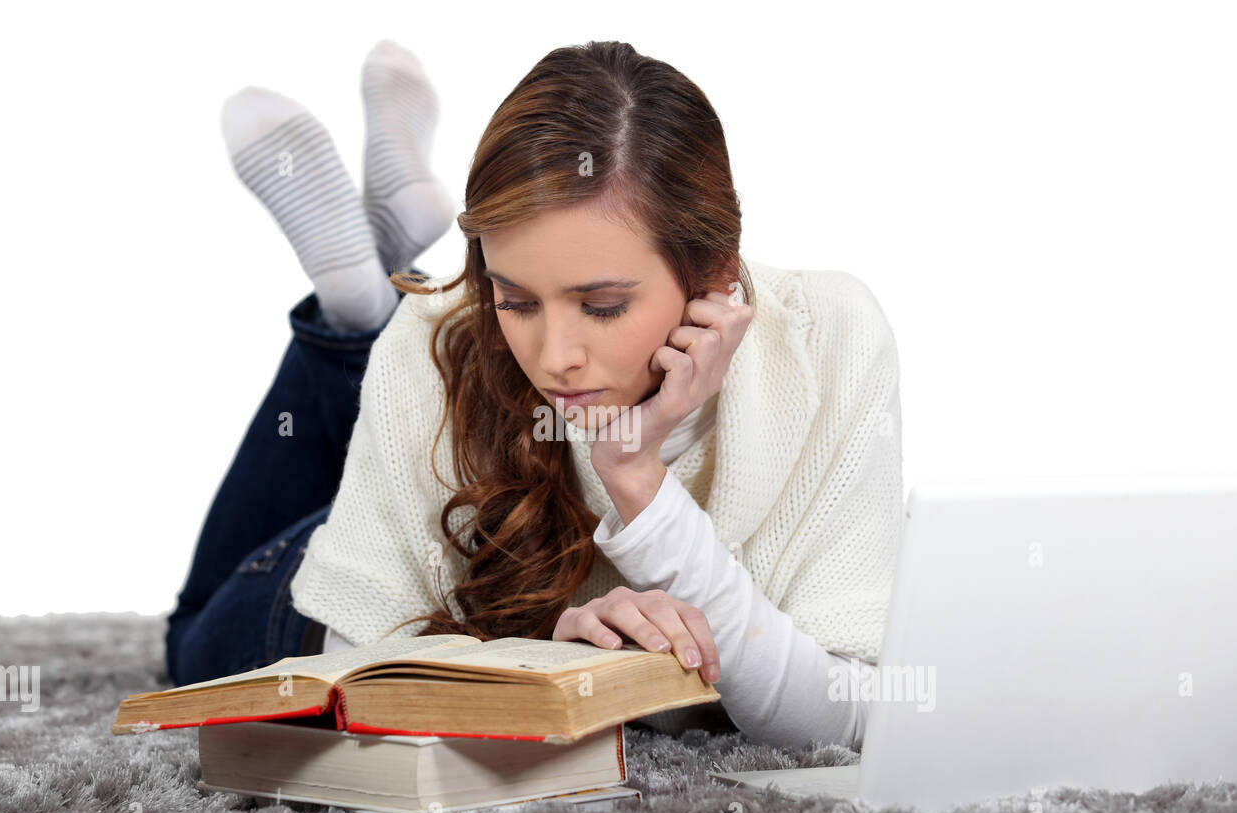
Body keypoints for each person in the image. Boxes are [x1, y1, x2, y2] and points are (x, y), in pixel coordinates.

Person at [166, 39, 903, 753]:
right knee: (189, 641)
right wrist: (543, 658)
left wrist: (639, 479)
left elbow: (849, 713)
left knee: (402, 354)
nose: (553, 362)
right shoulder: (437, 335)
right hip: (366, 551)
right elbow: (363, 670)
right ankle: (359, 317)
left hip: (426, 501)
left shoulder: (830, 339)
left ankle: (359, 305)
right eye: (515, 301)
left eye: (603, 307)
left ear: (714, 273)